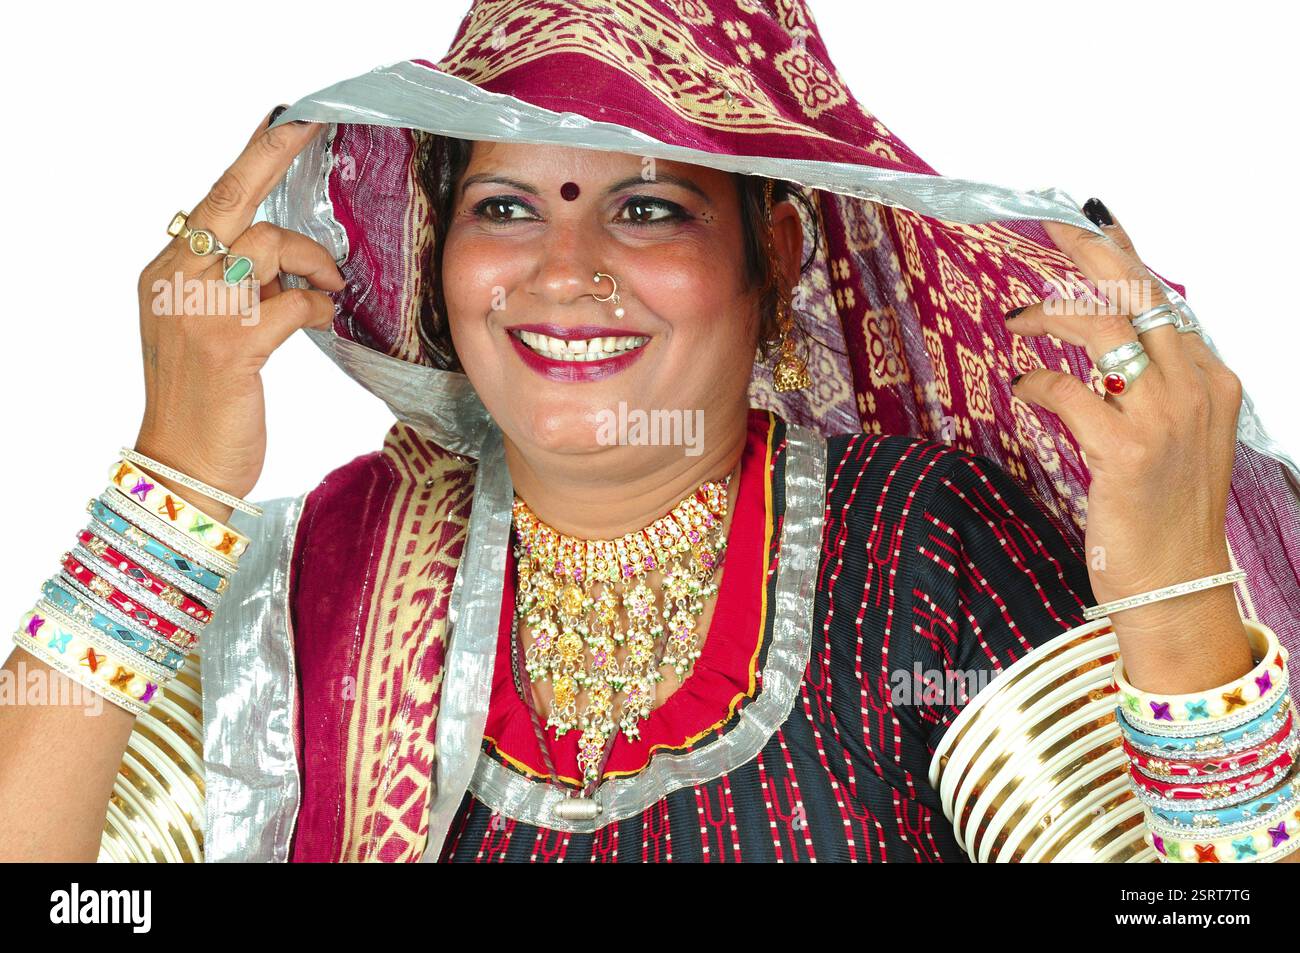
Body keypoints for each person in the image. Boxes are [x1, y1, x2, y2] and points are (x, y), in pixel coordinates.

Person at [3, 0, 1298, 864]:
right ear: (436, 258)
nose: (564, 271)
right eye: (506, 208)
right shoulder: (316, 578)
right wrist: (167, 478)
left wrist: (1176, 587)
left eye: (647, 210)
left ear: (774, 249)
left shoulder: (920, 546)